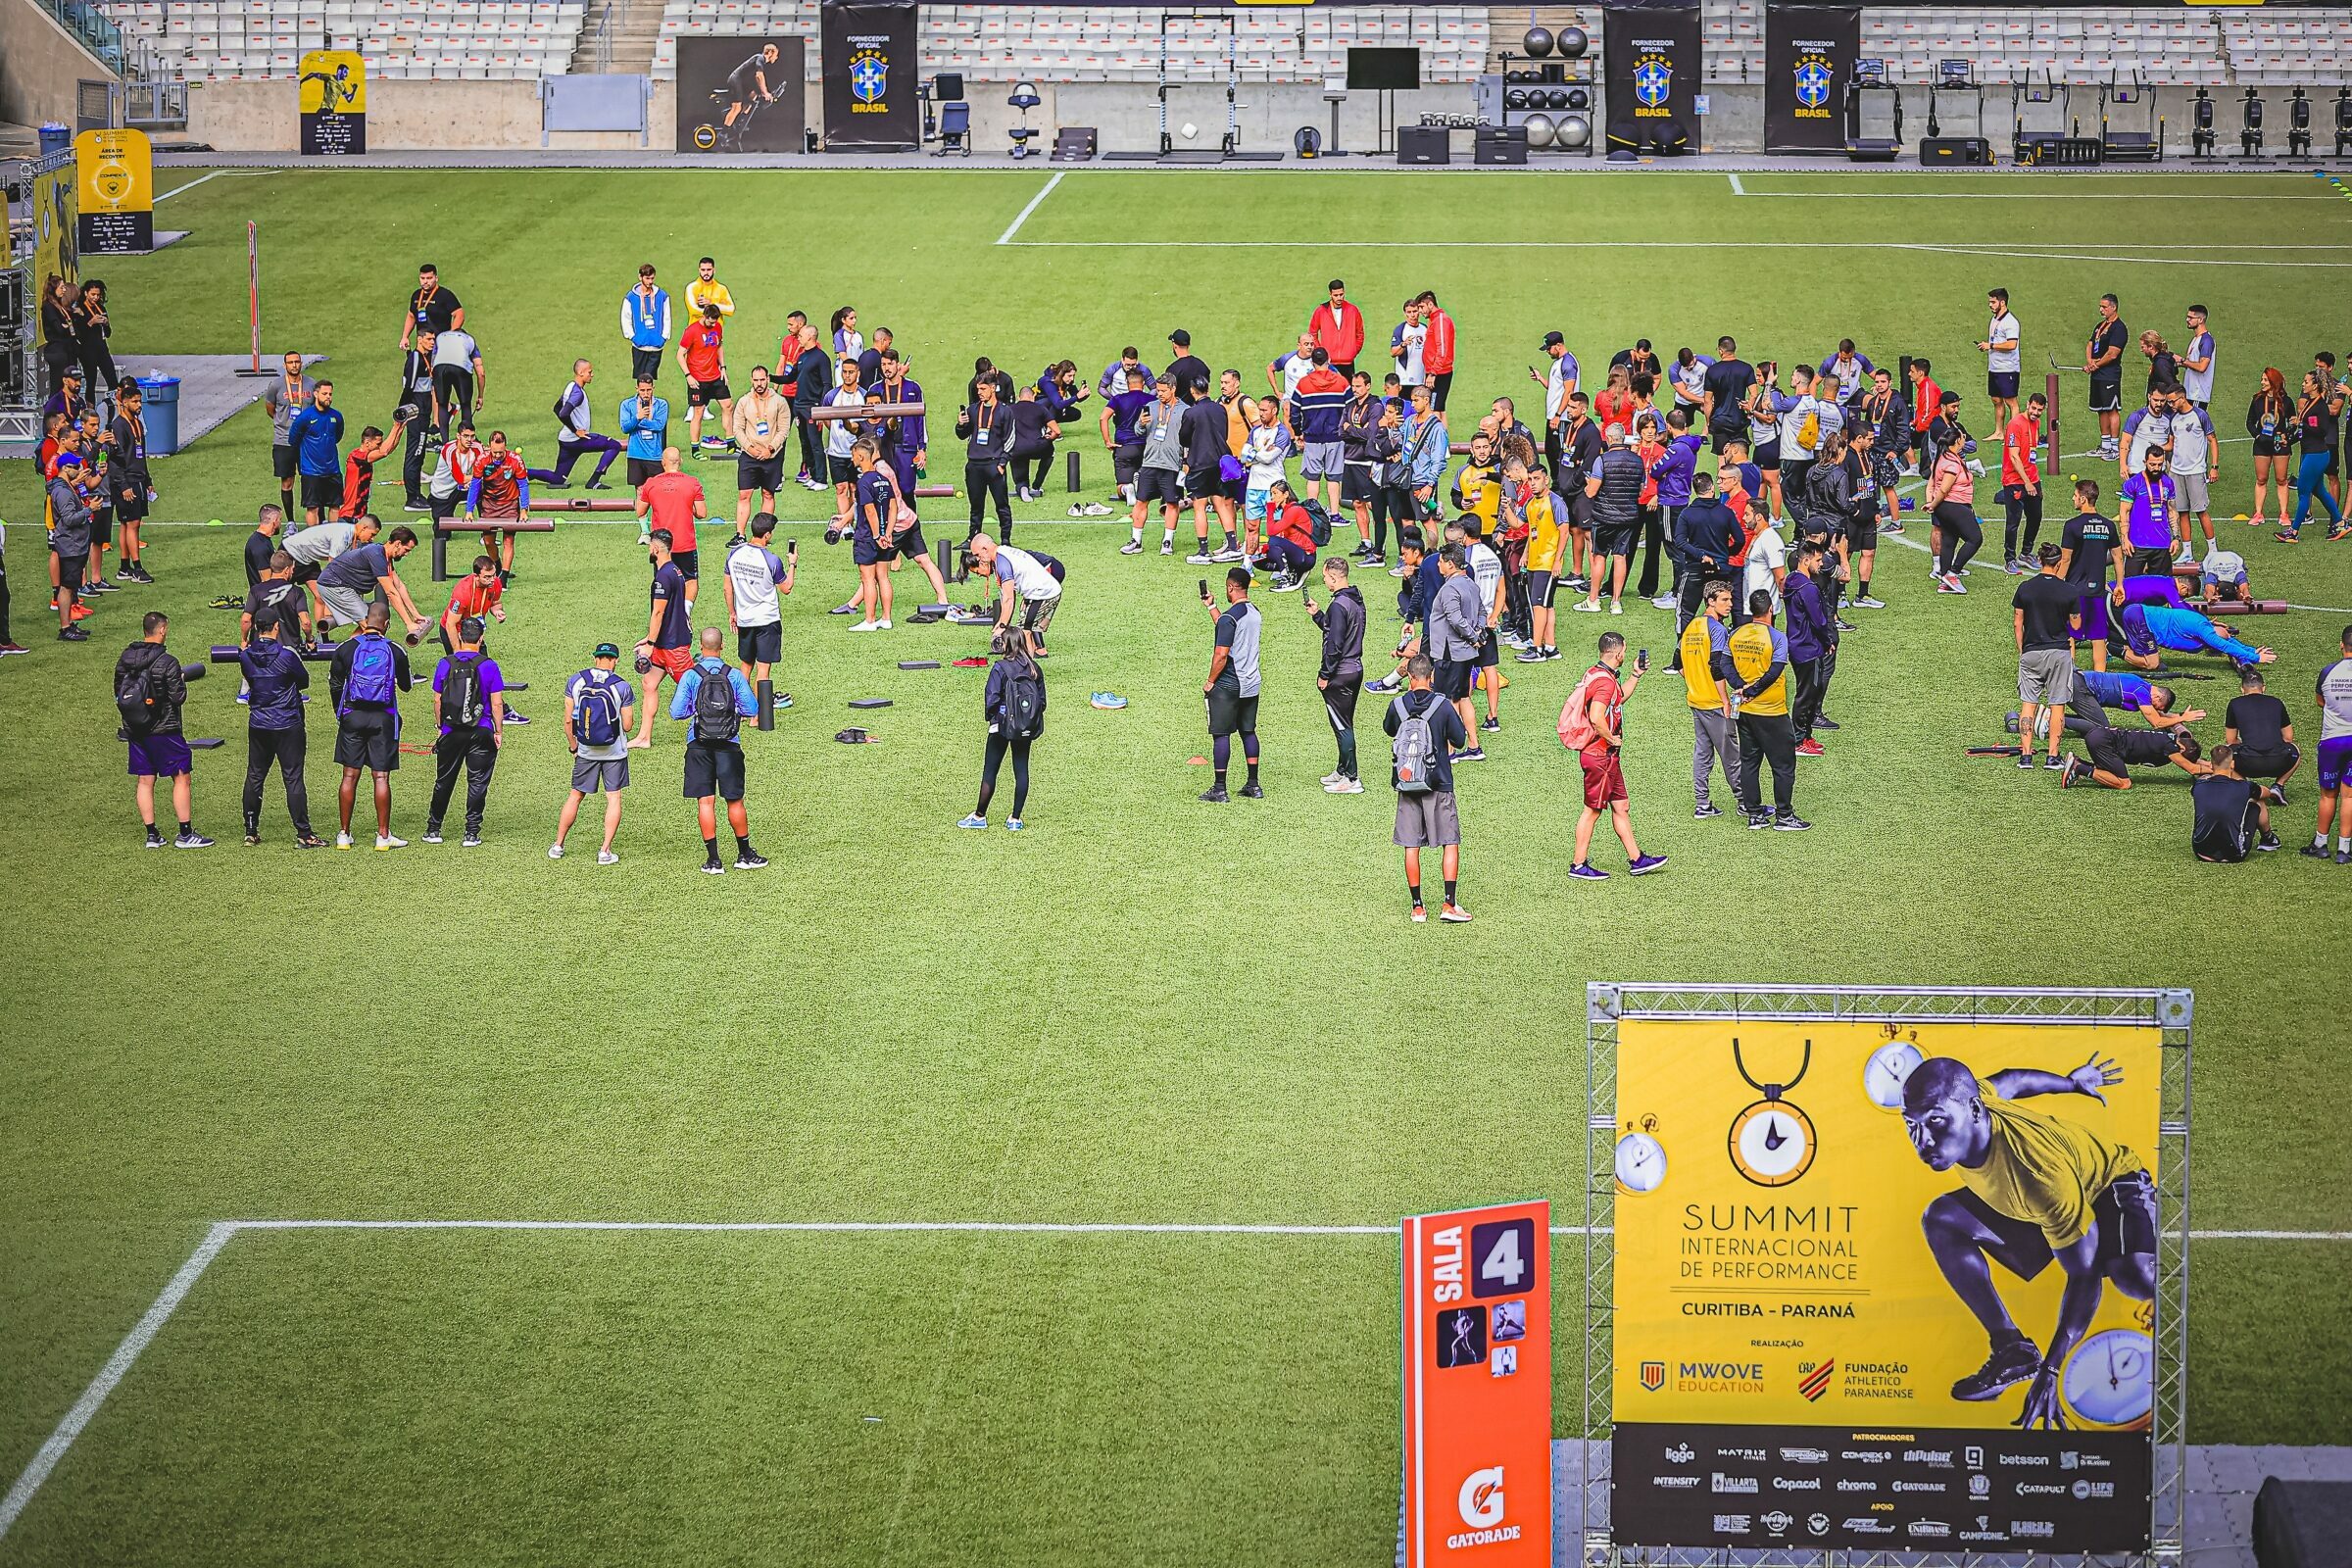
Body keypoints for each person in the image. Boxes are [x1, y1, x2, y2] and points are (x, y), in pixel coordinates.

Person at [1896, 1054, 2155, 1424]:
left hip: (2109, 1184)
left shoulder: (2039, 1176)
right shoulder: (1975, 1100)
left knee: (2134, 1277)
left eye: (1936, 1120)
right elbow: (2012, 1079)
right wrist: (2071, 1082)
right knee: (1941, 1219)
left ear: (1973, 1110)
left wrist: (2051, 1371)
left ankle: (2126, 1247)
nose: (1923, 1140)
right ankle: (2012, 1349)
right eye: (1912, 1124)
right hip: (2030, 1204)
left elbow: (2082, 1276)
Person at [1563, 633, 1664, 880]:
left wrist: (1636, 675)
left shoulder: (1597, 673)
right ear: (1619, 652)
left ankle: (1637, 859)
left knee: (1621, 805)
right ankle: (1578, 865)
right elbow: (1597, 716)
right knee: (1592, 810)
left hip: (1607, 757)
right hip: (1600, 756)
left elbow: (1618, 699)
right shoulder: (1605, 682)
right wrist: (1611, 738)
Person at [669, 626, 764, 873]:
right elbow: (752, 709)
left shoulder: (691, 676)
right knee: (734, 800)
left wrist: (697, 710)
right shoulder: (733, 675)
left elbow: (676, 712)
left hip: (698, 744)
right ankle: (744, 854)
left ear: (701, 647)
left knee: (706, 802)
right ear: (722, 647)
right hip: (729, 745)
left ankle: (714, 860)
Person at [1383, 652, 1470, 921]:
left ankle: (1418, 906)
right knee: (1449, 841)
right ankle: (1449, 904)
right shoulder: (1442, 706)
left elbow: (1389, 729)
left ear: (1409, 677)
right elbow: (1460, 739)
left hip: (1407, 783)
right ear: (1430, 677)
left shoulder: (1397, 705)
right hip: (1439, 781)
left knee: (1411, 845)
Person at [116, 611, 209, 848]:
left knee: (145, 780)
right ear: (163, 630)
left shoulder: (125, 659)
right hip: (164, 730)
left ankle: (152, 835)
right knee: (181, 777)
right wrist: (178, 679)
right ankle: (186, 834)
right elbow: (178, 698)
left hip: (136, 730)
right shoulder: (168, 662)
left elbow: (119, 693)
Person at [330, 603, 415, 850]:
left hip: (352, 717)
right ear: (387, 624)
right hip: (383, 719)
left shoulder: (346, 648)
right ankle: (383, 836)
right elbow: (406, 686)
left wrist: (341, 713)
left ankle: (344, 835)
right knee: (380, 776)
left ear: (366, 620)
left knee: (349, 775)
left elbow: (335, 683)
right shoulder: (395, 650)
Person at [234, 611, 322, 848]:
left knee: (255, 776)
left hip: (259, 723)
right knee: (293, 778)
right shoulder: (286, 655)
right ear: (275, 627)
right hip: (287, 722)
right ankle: (304, 833)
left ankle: (250, 831)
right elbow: (303, 680)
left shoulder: (245, 656)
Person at [422, 614, 506, 847]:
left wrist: (441, 727)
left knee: (444, 780)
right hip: (481, 730)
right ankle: (471, 833)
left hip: (451, 730)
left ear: (459, 636)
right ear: (481, 638)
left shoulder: (445, 663)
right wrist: (498, 731)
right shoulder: (489, 665)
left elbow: (438, 701)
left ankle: (433, 829)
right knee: (478, 781)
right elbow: (497, 703)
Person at [554, 641, 637, 864]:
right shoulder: (622, 686)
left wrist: (574, 746)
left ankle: (558, 845)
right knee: (613, 798)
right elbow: (628, 726)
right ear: (616, 660)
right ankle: (605, 851)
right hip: (614, 753)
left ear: (595, 658)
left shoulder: (576, 680)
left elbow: (567, 721)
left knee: (575, 796)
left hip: (586, 751)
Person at [1729, 589, 1804, 831]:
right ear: (1771, 609)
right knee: (1783, 765)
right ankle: (1784, 816)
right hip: (1771, 712)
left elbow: (1723, 663)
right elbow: (1775, 671)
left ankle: (1754, 815)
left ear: (1751, 610)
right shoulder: (1777, 637)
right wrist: (1752, 690)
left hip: (1745, 713)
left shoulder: (1737, 633)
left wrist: (1740, 687)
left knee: (1749, 762)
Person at [958, 626, 1047, 831]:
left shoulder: (1000, 667)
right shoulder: (1034, 668)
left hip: (1001, 724)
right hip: (1025, 726)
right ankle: (1015, 819)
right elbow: (1042, 702)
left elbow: (991, 698)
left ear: (1005, 644)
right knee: (1021, 769)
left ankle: (979, 816)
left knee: (991, 770)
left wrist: (992, 718)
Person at [1298, 553, 1367, 794]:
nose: (1325, 581)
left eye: (1326, 576)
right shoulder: (1355, 599)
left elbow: (1335, 645)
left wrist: (1325, 674)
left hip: (1340, 672)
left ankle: (1351, 778)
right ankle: (1342, 769)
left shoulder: (1339, 605)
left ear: (1333, 577)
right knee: (1344, 723)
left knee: (1342, 725)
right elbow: (1339, 631)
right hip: (1355, 667)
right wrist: (1318, 615)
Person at [1675, 579, 1740, 819]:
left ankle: (1702, 803)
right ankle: (1744, 802)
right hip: (1713, 703)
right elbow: (1717, 666)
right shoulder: (1718, 629)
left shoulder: (1692, 626)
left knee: (1702, 753)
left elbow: (1677, 663)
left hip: (1696, 701)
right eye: (1724, 600)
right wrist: (1724, 700)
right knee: (1731, 754)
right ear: (1710, 601)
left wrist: (1694, 680)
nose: (1729, 605)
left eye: (1730, 600)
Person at [2013, 542, 2080, 773]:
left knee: (2028, 704)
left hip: (2031, 651)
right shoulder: (2070, 591)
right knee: (2057, 706)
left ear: (2040, 561)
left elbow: (2017, 622)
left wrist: (2023, 650)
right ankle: (2052, 757)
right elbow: (2076, 624)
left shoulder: (2025, 588)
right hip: (2059, 652)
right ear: (2059, 563)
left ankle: (2025, 756)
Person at [1200, 566, 1263, 803]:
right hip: (1252, 682)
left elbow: (1221, 655)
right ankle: (1253, 785)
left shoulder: (1230, 618)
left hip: (1229, 684)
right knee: (1248, 731)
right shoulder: (1254, 612)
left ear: (1230, 587)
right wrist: (1211, 606)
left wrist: (1210, 682)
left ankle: (1219, 788)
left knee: (1221, 733)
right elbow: (1227, 627)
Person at [631, 528, 695, 748]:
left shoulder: (663, 577)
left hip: (672, 646)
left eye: (650, 546)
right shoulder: (675, 571)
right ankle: (644, 737)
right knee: (649, 683)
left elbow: (658, 612)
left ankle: (717, 727)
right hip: (663, 643)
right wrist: (650, 638)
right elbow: (671, 613)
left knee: (695, 688)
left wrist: (649, 644)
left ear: (655, 548)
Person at [1574, 422, 1644, 614]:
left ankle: (1593, 599)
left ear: (1609, 438)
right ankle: (1616, 602)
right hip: (1629, 517)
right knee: (1620, 556)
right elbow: (1640, 491)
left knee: (1599, 557)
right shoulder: (1638, 461)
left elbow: (1591, 492)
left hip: (1604, 517)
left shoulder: (1602, 460)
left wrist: (1589, 483)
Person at [317, 520, 425, 640]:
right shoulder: (376, 555)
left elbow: (399, 586)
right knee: (372, 626)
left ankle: (350, 650)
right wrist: (408, 624)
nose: (406, 554)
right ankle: (352, 654)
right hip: (334, 585)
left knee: (379, 620)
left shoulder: (385, 557)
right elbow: (391, 593)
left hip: (342, 586)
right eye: (407, 550)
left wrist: (415, 615)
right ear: (398, 544)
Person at [2112, 591, 2275, 670]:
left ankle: (2121, 645)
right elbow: (2224, 645)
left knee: (2153, 662)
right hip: (2140, 618)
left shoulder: (2207, 630)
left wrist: (2250, 650)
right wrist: (2255, 657)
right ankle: (2114, 648)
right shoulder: (2204, 631)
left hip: (2140, 616)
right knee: (2153, 664)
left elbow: (2228, 641)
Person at [722, 513, 793, 692]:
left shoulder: (734, 554)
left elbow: (727, 588)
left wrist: (732, 613)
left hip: (745, 619)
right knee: (763, 670)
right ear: (767, 534)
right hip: (767, 621)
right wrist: (793, 564)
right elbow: (786, 588)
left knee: (745, 666)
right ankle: (756, 717)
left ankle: (740, 710)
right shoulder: (772, 560)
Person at [1428, 544, 1486, 761]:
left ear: (1450, 564)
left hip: (1449, 653)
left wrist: (1472, 635)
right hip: (1465, 653)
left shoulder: (1450, 589)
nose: (1438, 564)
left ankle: (1450, 751)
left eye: (1441, 561)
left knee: (1447, 701)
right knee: (1463, 697)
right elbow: (1481, 611)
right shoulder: (1470, 584)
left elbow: (1455, 619)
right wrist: (1478, 634)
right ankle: (1474, 746)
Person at [527, 360, 622, 490]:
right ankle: (594, 481)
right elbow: (563, 413)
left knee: (558, 479)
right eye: (590, 372)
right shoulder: (577, 394)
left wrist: (571, 429)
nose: (592, 375)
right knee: (614, 446)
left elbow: (557, 408)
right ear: (580, 372)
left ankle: (526, 473)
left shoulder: (570, 387)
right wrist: (576, 431)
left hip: (566, 441)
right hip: (578, 440)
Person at [634, 446, 706, 612]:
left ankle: (661, 614)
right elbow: (701, 513)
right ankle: (685, 612)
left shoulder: (651, 483)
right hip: (685, 543)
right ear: (680, 461)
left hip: (661, 545)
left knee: (662, 580)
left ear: (663, 462)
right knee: (690, 580)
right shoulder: (692, 482)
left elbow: (640, 511)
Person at [968, 532, 1063, 656]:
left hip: (1043, 594)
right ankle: (1037, 654)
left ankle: (1029, 668)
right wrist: (1002, 622)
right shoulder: (1004, 552)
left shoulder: (1002, 562)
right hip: (1045, 591)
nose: (978, 559)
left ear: (985, 549)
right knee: (1027, 626)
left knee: (1024, 631)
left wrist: (1002, 626)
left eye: (977, 555)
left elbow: (1009, 599)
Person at [2280, 368, 2347, 543]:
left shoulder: (2320, 407)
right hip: (2311, 453)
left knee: (2303, 493)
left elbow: (2320, 431)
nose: (2303, 384)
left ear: (2315, 385)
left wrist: (2301, 423)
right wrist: (2289, 440)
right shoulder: (2311, 403)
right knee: (2319, 490)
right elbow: (2305, 433)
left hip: (2316, 455)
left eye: (2306, 382)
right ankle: (2341, 523)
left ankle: (2293, 532)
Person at [1784, 542, 1834, 757]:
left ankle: (1805, 736)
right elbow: (1819, 621)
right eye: (1818, 560)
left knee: (1809, 693)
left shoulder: (1791, 582)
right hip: (1808, 648)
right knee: (1806, 694)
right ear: (1805, 560)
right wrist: (1827, 641)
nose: (1821, 565)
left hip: (1797, 645)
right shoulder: (1809, 588)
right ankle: (1798, 740)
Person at [464, 429, 531, 581]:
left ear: (505, 447)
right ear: (489, 447)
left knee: (508, 540)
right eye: (495, 452)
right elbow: (475, 485)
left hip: (510, 504)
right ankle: (499, 567)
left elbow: (523, 485)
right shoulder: (481, 460)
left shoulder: (516, 460)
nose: (498, 455)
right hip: (489, 504)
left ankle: (504, 578)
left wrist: (524, 509)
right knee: (488, 541)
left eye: (501, 452)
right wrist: (469, 510)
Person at [2190, 746, 2278, 861]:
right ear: (2232, 765)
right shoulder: (2244, 787)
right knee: (2258, 801)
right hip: (2234, 854)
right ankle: (2268, 839)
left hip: (2201, 852)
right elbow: (2266, 793)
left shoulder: (2198, 786)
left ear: (2211, 765)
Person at [729, 364, 790, 530]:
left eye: (762, 379)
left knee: (768, 494)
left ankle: (764, 534)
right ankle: (740, 534)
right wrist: (750, 449)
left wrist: (769, 449)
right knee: (744, 494)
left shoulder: (780, 402)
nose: (759, 383)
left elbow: (784, 430)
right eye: (756, 380)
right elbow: (737, 429)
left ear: (768, 379)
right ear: (752, 380)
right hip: (750, 455)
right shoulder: (743, 402)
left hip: (772, 455)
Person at [2060, 721, 2205, 791]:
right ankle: (2079, 768)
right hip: (2103, 741)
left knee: (2108, 774)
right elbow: (2192, 769)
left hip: (2101, 735)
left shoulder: (2170, 739)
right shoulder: (2171, 748)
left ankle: (2078, 761)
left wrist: (2213, 765)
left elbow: (2194, 763)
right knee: (2124, 783)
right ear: (2182, 748)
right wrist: (2224, 771)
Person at [846, 439, 898, 632]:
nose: (852, 459)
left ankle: (869, 620)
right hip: (884, 535)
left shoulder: (864, 482)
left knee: (867, 579)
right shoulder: (884, 479)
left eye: (853, 455)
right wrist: (888, 533)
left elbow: (869, 511)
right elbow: (893, 507)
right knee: (883, 576)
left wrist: (877, 535)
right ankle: (886, 618)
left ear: (860, 456)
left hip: (868, 537)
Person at [1924, 416, 1981, 593]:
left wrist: (1930, 503)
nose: (1966, 439)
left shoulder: (1942, 459)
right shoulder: (1951, 464)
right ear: (1957, 441)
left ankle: (1944, 581)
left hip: (1945, 507)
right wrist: (1932, 504)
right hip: (1954, 505)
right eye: (1963, 437)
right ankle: (1953, 572)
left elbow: (1931, 485)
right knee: (1975, 538)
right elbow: (1943, 490)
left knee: (1949, 540)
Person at [106, 379, 154, 584]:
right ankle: (137, 568)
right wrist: (123, 485)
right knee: (132, 524)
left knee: (127, 524)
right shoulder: (118, 426)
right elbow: (114, 460)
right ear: (124, 402)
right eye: (134, 401)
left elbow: (139, 455)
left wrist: (148, 479)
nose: (139, 405)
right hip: (126, 482)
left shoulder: (137, 423)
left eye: (139, 401)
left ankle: (124, 568)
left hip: (138, 479)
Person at [957, 371, 1015, 543]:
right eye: (978, 389)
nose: (980, 392)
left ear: (992, 388)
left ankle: (1005, 540)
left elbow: (1010, 438)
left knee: (1002, 505)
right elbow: (962, 435)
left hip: (994, 464)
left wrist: (1003, 462)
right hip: (974, 464)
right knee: (976, 506)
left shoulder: (1005, 411)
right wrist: (961, 425)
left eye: (983, 389)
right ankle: (972, 537)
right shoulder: (973, 410)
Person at [2311, 626, 2352, 863]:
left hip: (2332, 740)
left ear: (2341, 645)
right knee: (2349, 796)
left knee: (2328, 794)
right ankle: (2344, 850)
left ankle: (2321, 843)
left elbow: (2320, 701)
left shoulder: (2328, 672)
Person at [286, 379, 347, 526]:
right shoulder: (305, 417)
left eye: (330, 394)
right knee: (312, 507)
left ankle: (333, 537)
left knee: (334, 505)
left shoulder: (336, 416)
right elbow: (293, 439)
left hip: (332, 469)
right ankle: (313, 540)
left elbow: (337, 436)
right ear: (316, 394)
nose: (328, 397)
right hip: (311, 471)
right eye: (325, 393)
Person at [46, 453, 93, 642]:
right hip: (71, 545)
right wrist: (90, 510)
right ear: (65, 469)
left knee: (71, 587)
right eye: (75, 467)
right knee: (66, 588)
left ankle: (68, 625)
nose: (79, 470)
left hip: (75, 544)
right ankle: (65, 628)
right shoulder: (63, 491)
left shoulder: (65, 487)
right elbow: (69, 519)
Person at [677, 302, 733, 457]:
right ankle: (695, 449)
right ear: (704, 316)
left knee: (728, 405)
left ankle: (731, 443)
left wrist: (723, 368)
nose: (713, 324)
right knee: (698, 412)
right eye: (710, 321)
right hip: (697, 379)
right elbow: (679, 354)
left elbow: (719, 346)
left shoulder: (717, 327)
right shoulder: (691, 331)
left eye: (715, 321)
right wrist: (688, 376)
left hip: (715, 375)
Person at [1998, 392, 2046, 572]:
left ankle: (2026, 553)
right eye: (2033, 408)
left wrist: (2032, 480)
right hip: (2014, 481)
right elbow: (2013, 456)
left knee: (2036, 516)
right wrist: (2026, 482)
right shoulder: (2015, 424)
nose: (2035, 412)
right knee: (2013, 521)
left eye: (2039, 410)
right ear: (2028, 404)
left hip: (2032, 478)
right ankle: (2009, 559)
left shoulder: (2036, 423)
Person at [2247, 368, 2294, 535]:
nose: (2262, 383)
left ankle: (2284, 513)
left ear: (2274, 382)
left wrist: (2286, 436)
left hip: (2280, 445)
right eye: (2262, 380)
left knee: (2281, 479)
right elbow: (2250, 422)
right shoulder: (2258, 400)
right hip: (2262, 444)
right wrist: (2258, 436)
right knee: (2261, 479)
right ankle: (2258, 513)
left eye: (2266, 380)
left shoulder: (2286, 402)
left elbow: (2293, 422)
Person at [2086, 293, 2130, 460]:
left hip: (2110, 375)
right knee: (2101, 410)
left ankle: (2115, 447)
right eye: (2100, 306)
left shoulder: (2119, 328)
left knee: (2112, 409)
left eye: (2104, 307)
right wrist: (2090, 361)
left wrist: (2095, 364)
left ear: (2114, 307)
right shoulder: (2101, 326)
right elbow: (2090, 344)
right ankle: (2104, 446)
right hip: (2097, 374)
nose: (2101, 310)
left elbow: (2112, 354)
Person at [428, 319, 486, 440]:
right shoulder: (469, 340)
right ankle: (468, 439)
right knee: (465, 405)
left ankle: (445, 444)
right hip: (461, 368)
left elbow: (432, 366)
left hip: (440, 368)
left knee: (442, 405)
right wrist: (480, 396)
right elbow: (481, 373)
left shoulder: (441, 338)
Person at [1978, 286, 2024, 432]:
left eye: (1993, 302)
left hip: (2008, 368)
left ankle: (2014, 434)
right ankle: (1999, 432)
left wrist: (1990, 345)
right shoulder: (1995, 318)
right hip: (1995, 367)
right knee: (1996, 400)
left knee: (2011, 401)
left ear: (2002, 302)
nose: (1990, 305)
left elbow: (2012, 344)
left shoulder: (2010, 322)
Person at [73, 280, 117, 417]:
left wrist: (106, 323)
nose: (95, 298)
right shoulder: (79, 310)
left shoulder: (101, 308)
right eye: (93, 294)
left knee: (112, 380)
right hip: (87, 351)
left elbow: (108, 333)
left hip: (102, 349)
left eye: (98, 295)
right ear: (86, 293)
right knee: (91, 381)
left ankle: (112, 409)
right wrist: (90, 323)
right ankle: (90, 414)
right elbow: (80, 335)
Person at [621, 264, 670, 383]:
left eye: (652, 278)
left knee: (649, 380)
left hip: (656, 346)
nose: (650, 281)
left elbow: (667, 317)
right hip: (639, 345)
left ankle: (649, 401)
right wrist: (633, 337)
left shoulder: (662, 296)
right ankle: (640, 401)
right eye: (647, 278)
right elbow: (626, 318)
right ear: (640, 277)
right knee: (640, 380)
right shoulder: (631, 297)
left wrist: (663, 337)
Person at [619, 375, 670, 490]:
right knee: (640, 491)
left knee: (658, 491)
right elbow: (625, 428)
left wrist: (638, 422)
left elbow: (659, 425)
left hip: (655, 455)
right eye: (642, 390)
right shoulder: (627, 404)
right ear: (637, 388)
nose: (646, 393)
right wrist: (637, 417)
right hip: (635, 454)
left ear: (653, 388)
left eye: (649, 390)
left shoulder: (662, 404)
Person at [400, 262, 464, 352]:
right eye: (422, 278)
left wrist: (450, 336)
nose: (425, 281)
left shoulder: (445, 295)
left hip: (441, 346)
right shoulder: (416, 295)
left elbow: (459, 314)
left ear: (436, 278)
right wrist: (405, 337)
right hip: (422, 346)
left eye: (429, 278)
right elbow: (411, 316)